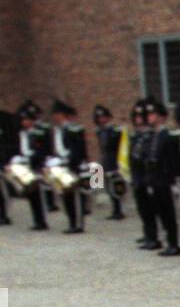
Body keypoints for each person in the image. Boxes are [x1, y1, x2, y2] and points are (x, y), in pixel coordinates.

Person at [144, 98, 180, 256]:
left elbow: (174, 159)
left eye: (153, 114)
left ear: (160, 117)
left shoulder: (168, 135)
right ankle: (169, 241)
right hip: (156, 179)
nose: (149, 118)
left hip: (165, 179)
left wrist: (175, 179)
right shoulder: (153, 135)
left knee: (169, 213)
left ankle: (175, 243)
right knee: (161, 212)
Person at [49, 101, 89, 234]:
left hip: (73, 166)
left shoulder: (73, 129)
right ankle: (71, 222)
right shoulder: (59, 130)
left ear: (61, 114)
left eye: (56, 114)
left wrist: (69, 161)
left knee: (75, 196)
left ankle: (78, 224)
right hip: (62, 166)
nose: (54, 117)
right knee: (66, 196)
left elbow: (77, 150)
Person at [13, 100, 49, 231]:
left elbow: (42, 150)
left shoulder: (38, 133)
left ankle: (42, 221)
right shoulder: (23, 134)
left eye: (27, 120)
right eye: (23, 120)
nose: (24, 122)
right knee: (31, 196)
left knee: (38, 196)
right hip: (26, 167)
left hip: (35, 166)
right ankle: (37, 220)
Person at [129, 100, 158, 248]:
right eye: (136, 116)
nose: (138, 119)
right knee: (142, 208)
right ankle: (147, 234)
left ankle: (153, 236)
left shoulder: (151, 135)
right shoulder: (136, 136)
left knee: (149, 209)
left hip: (146, 176)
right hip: (137, 176)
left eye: (141, 116)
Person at [93, 105, 126, 220]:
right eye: (99, 117)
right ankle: (114, 209)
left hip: (114, 160)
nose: (101, 119)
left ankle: (119, 210)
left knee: (116, 186)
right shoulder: (100, 131)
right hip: (106, 160)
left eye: (103, 117)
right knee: (108, 186)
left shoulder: (114, 130)